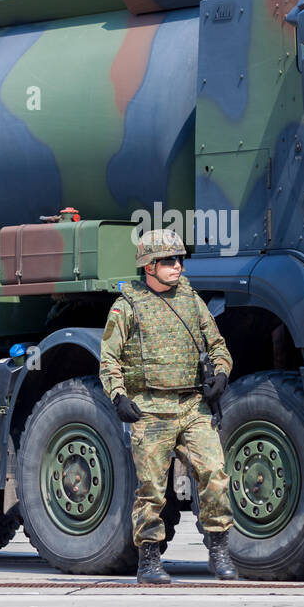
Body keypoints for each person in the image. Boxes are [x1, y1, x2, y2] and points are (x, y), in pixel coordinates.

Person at [99, 229, 237, 584]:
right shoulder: (126, 307)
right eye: (168, 260)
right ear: (149, 265)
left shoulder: (192, 301)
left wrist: (220, 376)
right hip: (150, 407)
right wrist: (118, 396)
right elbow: (109, 359)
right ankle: (149, 558)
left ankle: (219, 549)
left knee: (215, 475)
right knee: (151, 489)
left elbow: (219, 346)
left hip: (192, 405)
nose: (177, 266)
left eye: (179, 259)